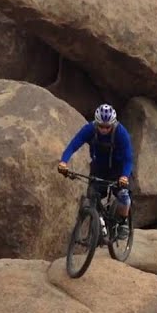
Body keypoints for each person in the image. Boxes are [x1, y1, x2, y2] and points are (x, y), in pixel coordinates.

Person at [57, 103, 135, 240]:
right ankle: (95, 228)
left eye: (107, 127)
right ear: (96, 123)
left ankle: (123, 223)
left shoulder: (121, 133)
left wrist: (124, 176)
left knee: (123, 195)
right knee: (92, 197)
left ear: (113, 124)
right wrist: (64, 161)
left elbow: (128, 159)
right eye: (101, 126)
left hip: (118, 170)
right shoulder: (90, 129)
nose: (104, 129)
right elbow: (74, 144)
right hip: (98, 168)